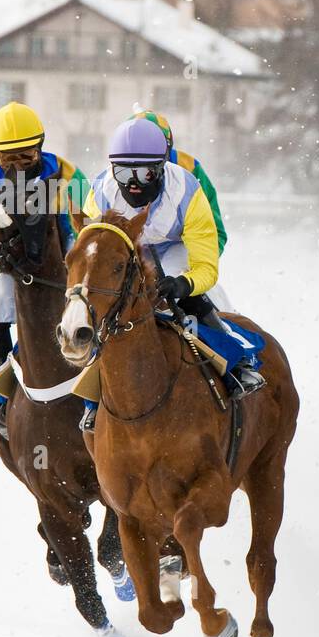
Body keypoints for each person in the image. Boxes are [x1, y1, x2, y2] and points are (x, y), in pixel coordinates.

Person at [77, 118, 264, 432]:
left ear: (162, 167)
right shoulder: (100, 193)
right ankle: (91, 401)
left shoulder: (188, 191)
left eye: (145, 173)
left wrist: (184, 283)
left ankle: (238, 364)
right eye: (123, 172)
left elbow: (206, 266)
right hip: (128, 249)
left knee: (185, 291)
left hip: (175, 245)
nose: (133, 183)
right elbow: (92, 256)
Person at [0, 101, 88, 440]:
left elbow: (78, 228)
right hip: (11, 265)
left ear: (41, 147)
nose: (19, 166)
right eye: (9, 158)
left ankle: (95, 391)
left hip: (59, 260)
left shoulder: (67, 176)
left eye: (27, 156)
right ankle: (3, 397)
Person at [129, 108, 228, 253]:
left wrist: (200, 265)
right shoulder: (116, 172)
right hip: (134, 247)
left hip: (179, 247)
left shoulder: (191, 168)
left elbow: (213, 231)